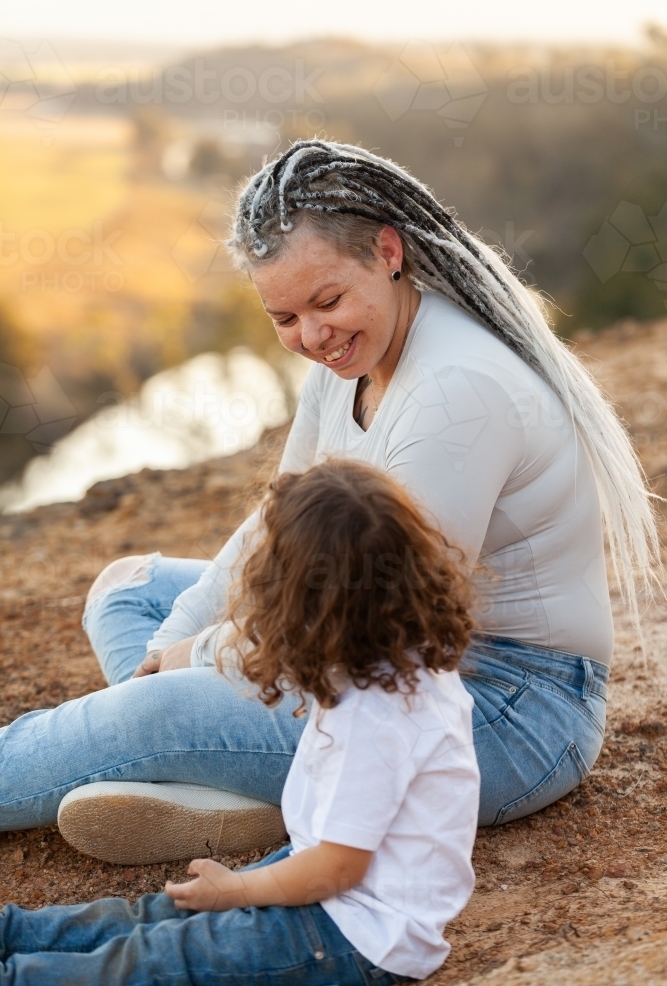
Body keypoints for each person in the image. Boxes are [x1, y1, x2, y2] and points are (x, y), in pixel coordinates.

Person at [0, 140, 658, 858]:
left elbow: (381, 623)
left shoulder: (458, 393)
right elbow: (277, 524)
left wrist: (199, 661)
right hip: (378, 660)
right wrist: (172, 643)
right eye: (283, 318)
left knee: (152, 713)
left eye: (327, 300)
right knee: (131, 590)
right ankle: (232, 786)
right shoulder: (351, 355)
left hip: (504, 712)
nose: (311, 336)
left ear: (386, 249)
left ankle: (200, 754)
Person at [0, 460, 480, 985]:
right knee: (156, 921)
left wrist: (240, 892)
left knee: (144, 965)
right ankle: (12, 933)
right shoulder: (396, 661)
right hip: (324, 885)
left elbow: (340, 868)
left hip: (348, 937)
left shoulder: (377, 715)